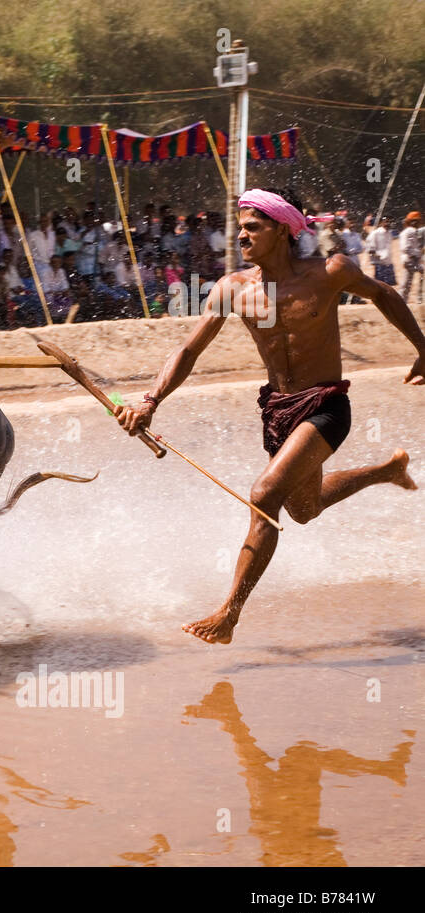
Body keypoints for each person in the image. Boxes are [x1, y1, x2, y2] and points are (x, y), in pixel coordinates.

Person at [117, 187, 425, 645]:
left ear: (283, 229)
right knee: (304, 508)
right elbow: (188, 349)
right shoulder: (233, 289)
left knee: (263, 496)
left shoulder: (330, 271)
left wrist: (422, 349)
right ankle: (387, 469)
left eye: (253, 227)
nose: (241, 236)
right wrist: (150, 400)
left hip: (325, 405)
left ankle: (228, 615)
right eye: (240, 227)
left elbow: (383, 294)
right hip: (279, 410)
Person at [399, 210, 423, 304]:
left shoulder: (413, 231)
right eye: (416, 221)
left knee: (408, 282)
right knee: (406, 283)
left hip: (413, 259)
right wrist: (417, 253)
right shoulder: (409, 232)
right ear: (412, 222)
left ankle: (417, 299)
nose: (418, 223)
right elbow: (405, 248)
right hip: (410, 259)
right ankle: (402, 302)